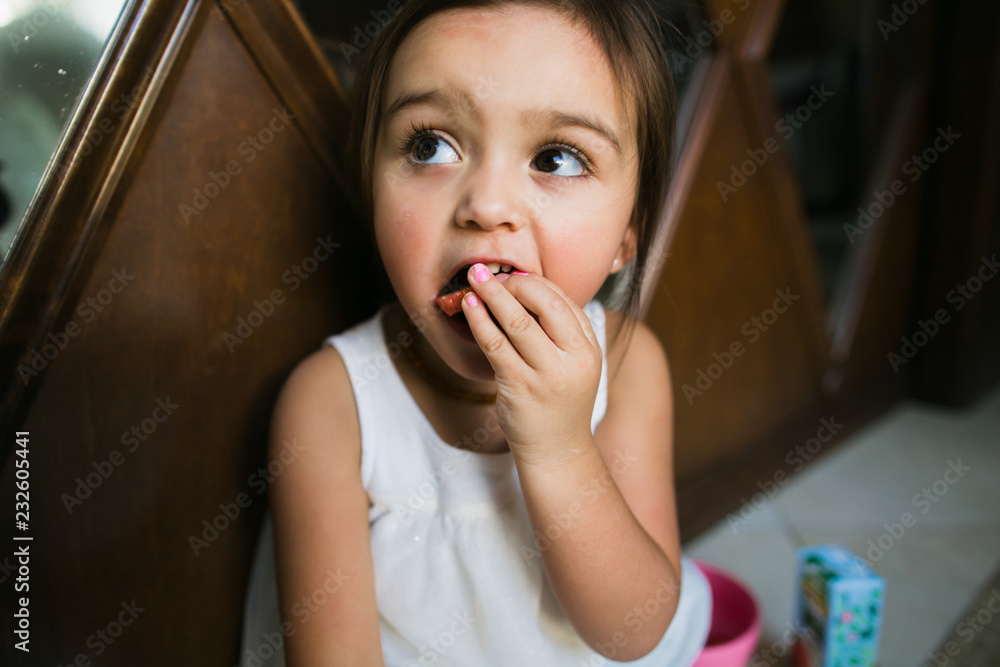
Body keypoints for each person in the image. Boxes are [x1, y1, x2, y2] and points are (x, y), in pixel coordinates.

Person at [240, 1, 712, 664]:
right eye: (429, 145)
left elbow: (633, 630)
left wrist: (559, 447)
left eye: (557, 157)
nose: (487, 204)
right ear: (372, 189)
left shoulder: (630, 367)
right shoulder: (330, 406)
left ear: (626, 237)